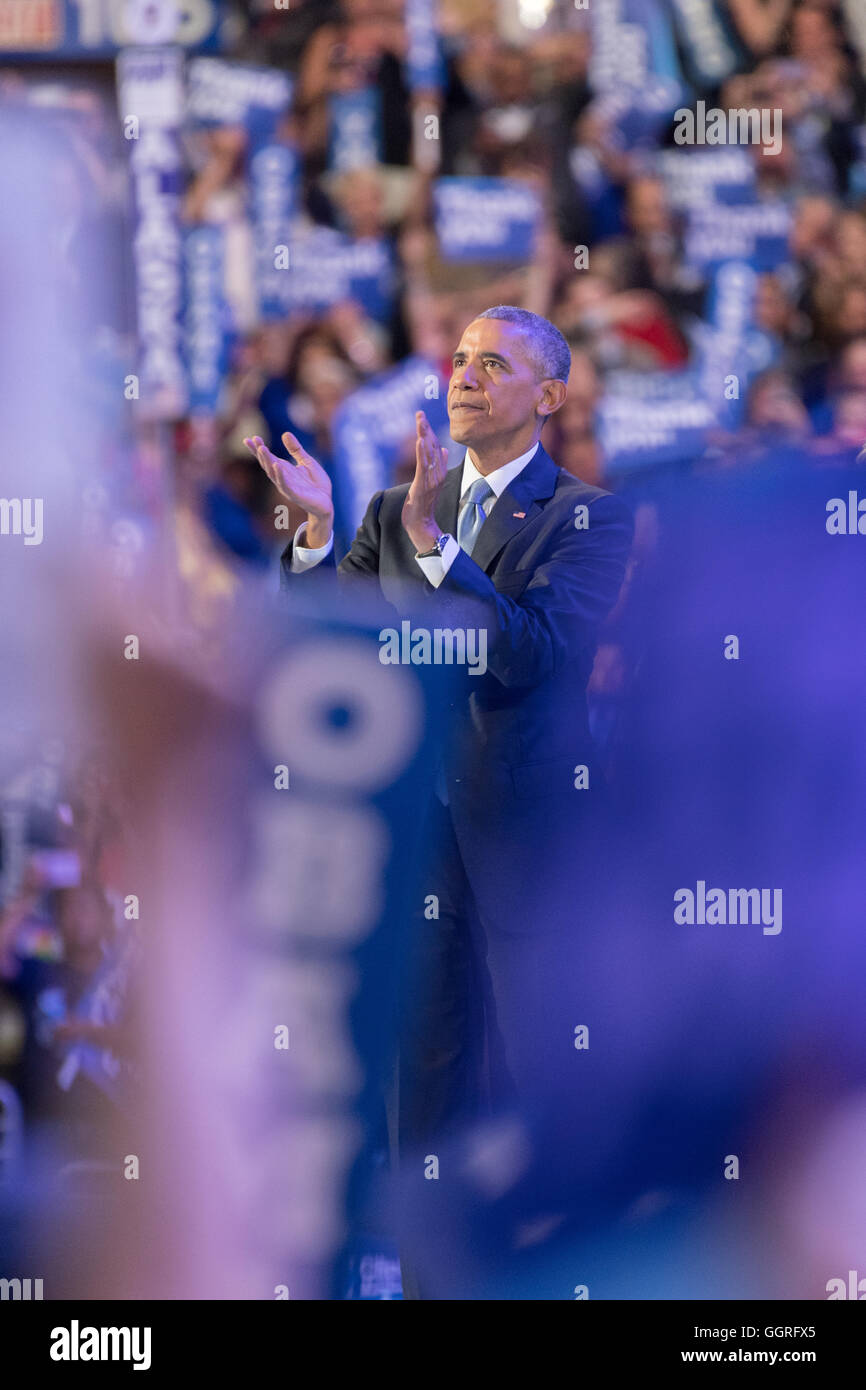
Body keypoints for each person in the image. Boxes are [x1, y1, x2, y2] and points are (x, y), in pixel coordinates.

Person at [245, 305, 633, 1295]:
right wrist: (318, 532)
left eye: (491, 363)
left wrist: (432, 547)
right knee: (421, 1090)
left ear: (547, 395)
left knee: (528, 1085)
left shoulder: (587, 515)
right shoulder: (385, 511)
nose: (463, 376)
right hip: (416, 846)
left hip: (524, 849)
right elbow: (339, 657)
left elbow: (530, 654)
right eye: (458, 359)